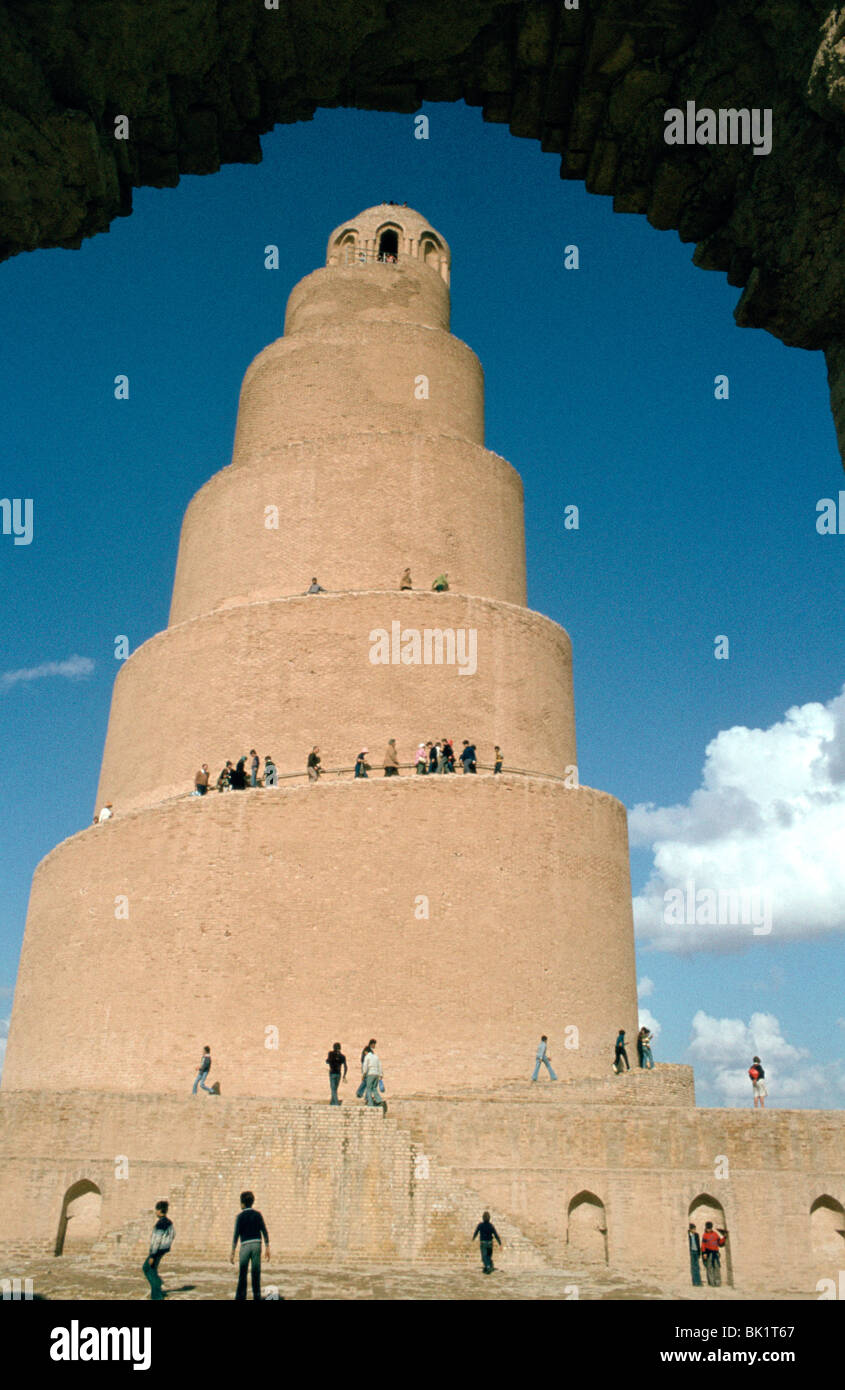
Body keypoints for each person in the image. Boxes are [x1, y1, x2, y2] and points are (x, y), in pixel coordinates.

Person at [230, 1191, 270, 1301]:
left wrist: (233, 1251)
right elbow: (264, 1231)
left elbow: (236, 1234)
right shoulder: (258, 1215)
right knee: (256, 1272)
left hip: (245, 1246)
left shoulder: (240, 1217)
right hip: (257, 1244)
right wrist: (267, 1246)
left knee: (243, 1273)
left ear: (242, 1203)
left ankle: (240, 1297)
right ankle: (257, 1296)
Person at [142, 1200, 174, 1301]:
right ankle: (157, 1290)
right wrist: (167, 1245)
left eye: (156, 1210)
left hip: (157, 1251)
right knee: (153, 1270)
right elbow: (173, 1234)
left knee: (147, 1268)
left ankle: (157, 1295)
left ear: (160, 1210)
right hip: (163, 1249)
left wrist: (152, 1255)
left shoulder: (161, 1223)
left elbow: (156, 1240)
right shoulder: (169, 1222)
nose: (155, 1212)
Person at [701, 1222, 727, 1286]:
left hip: (715, 1253)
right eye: (707, 1228)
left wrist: (724, 1238)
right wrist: (704, 1253)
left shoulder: (715, 1234)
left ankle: (717, 1282)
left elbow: (720, 1243)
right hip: (708, 1253)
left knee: (717, 1267)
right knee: (709, 1268)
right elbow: (703, 1245)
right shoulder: (704, 1235)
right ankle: (711, 1283)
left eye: (709, 1228)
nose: (708, 1229)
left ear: (711, 1228)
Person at [362, 1044, 387, 1113]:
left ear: (366, 1051)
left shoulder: (367, 1057)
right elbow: (380, 1065)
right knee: (374, 1088)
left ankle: (370, 1103)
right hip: (376, 1074)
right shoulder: (376, 1057)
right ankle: (379, 1100)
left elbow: (365, 1066)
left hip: (370, 1073)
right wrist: (381, 1074)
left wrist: (364, 1074)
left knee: (369, 1088)